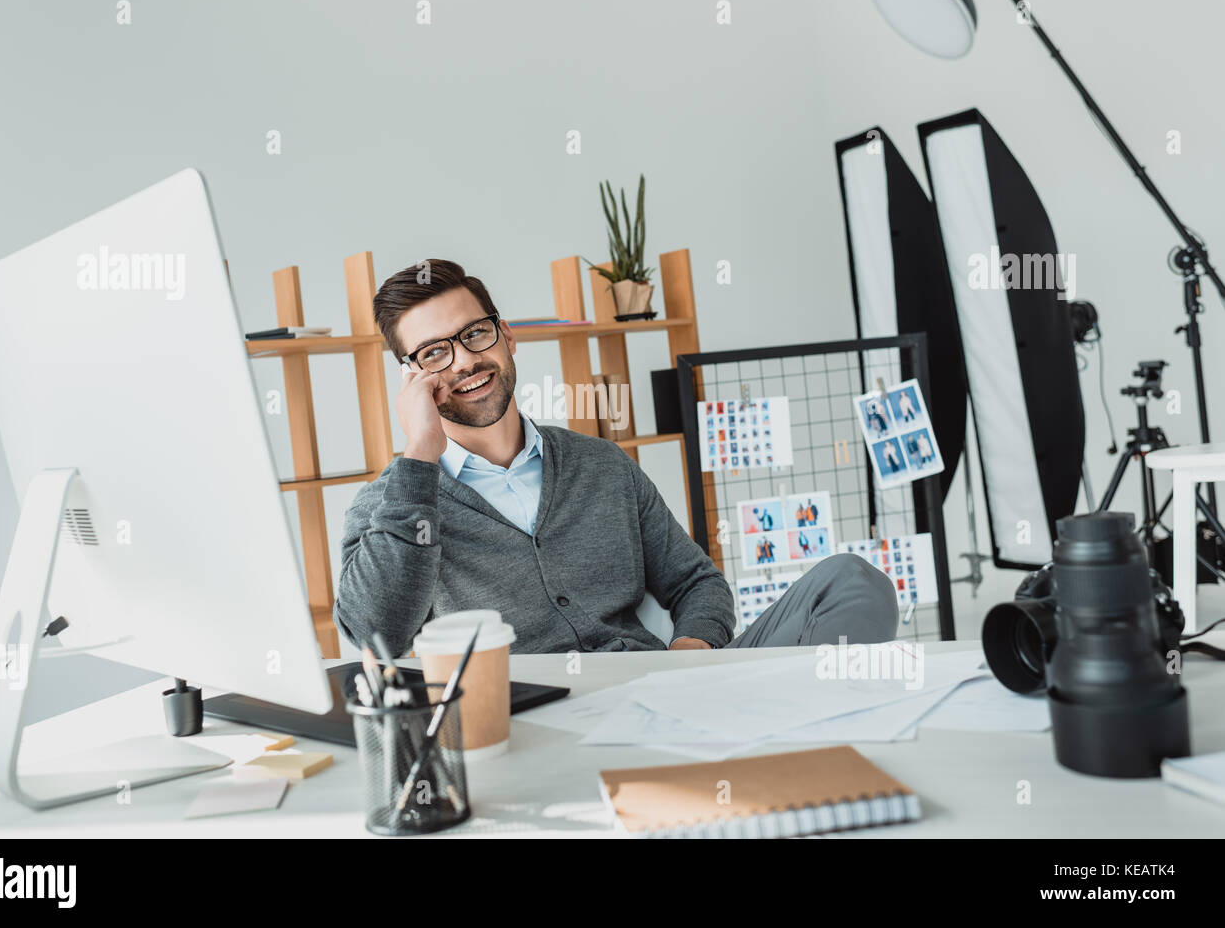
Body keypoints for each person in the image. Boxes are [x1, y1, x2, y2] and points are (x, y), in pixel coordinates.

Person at [334, 259, 896, 655]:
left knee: (851, 580)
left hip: (665, 689)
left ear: (506, 337)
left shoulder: (603, 466)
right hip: (538, 730)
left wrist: (691, 650)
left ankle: (799, 750)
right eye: (435, 353)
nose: (463, 362)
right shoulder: (393, 502)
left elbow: (696, 582)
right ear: (411, 377)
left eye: (475, 334)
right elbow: (375, 637)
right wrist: (419, 459)